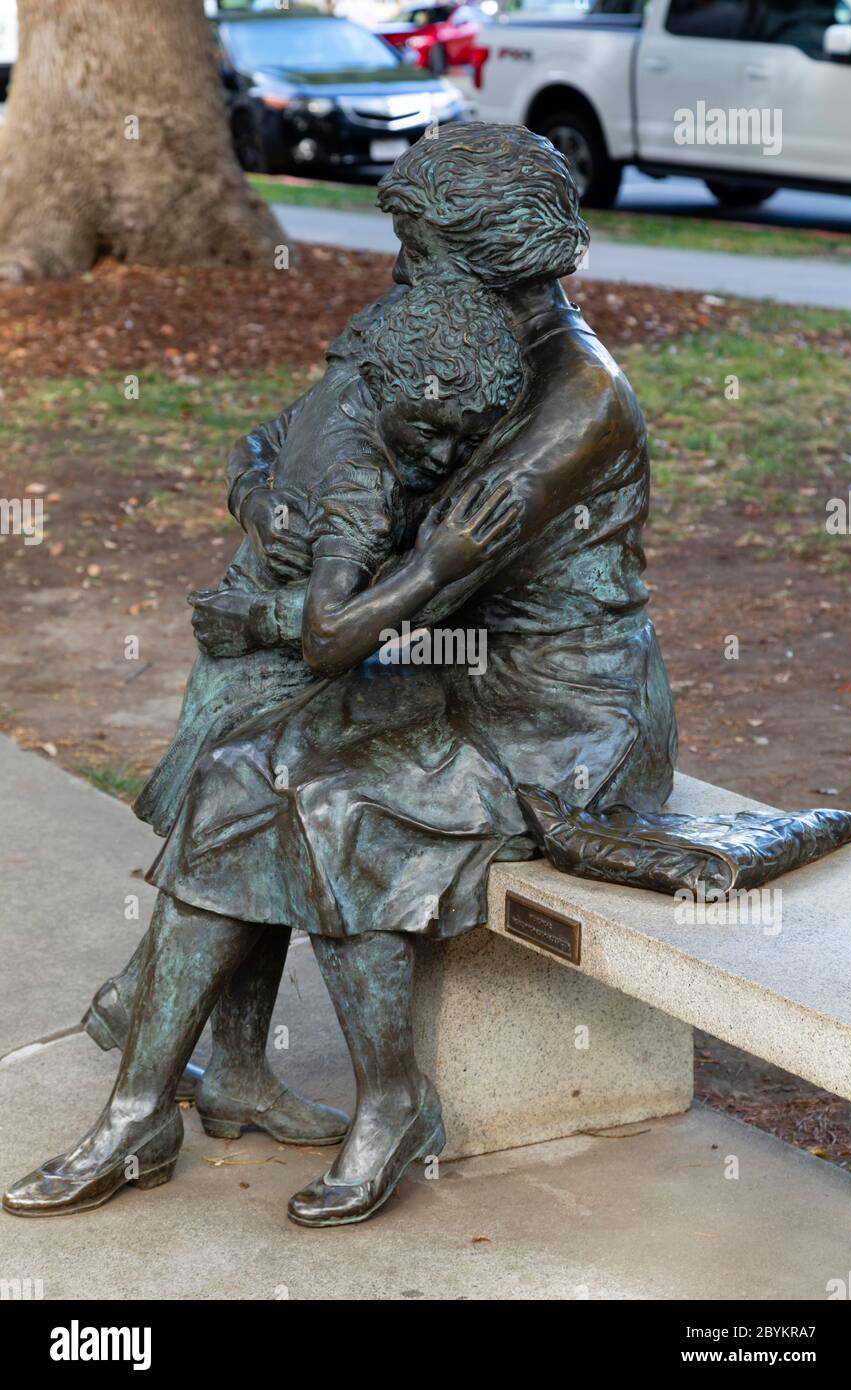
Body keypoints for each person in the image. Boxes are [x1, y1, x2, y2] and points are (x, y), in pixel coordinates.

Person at [1, 268, 525, 1219]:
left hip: (440, 689)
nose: (447, 455)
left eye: (461, 438)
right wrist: (436, 560)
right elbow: (332, 635)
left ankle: (192, 1085)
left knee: (287, 806)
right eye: (434, 432)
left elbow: (252, 446)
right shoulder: (366, 479)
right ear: (393, 387)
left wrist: (261, 503)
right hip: (321, 671)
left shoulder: (352, 385)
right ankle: (152, 1101)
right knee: (256, 795)